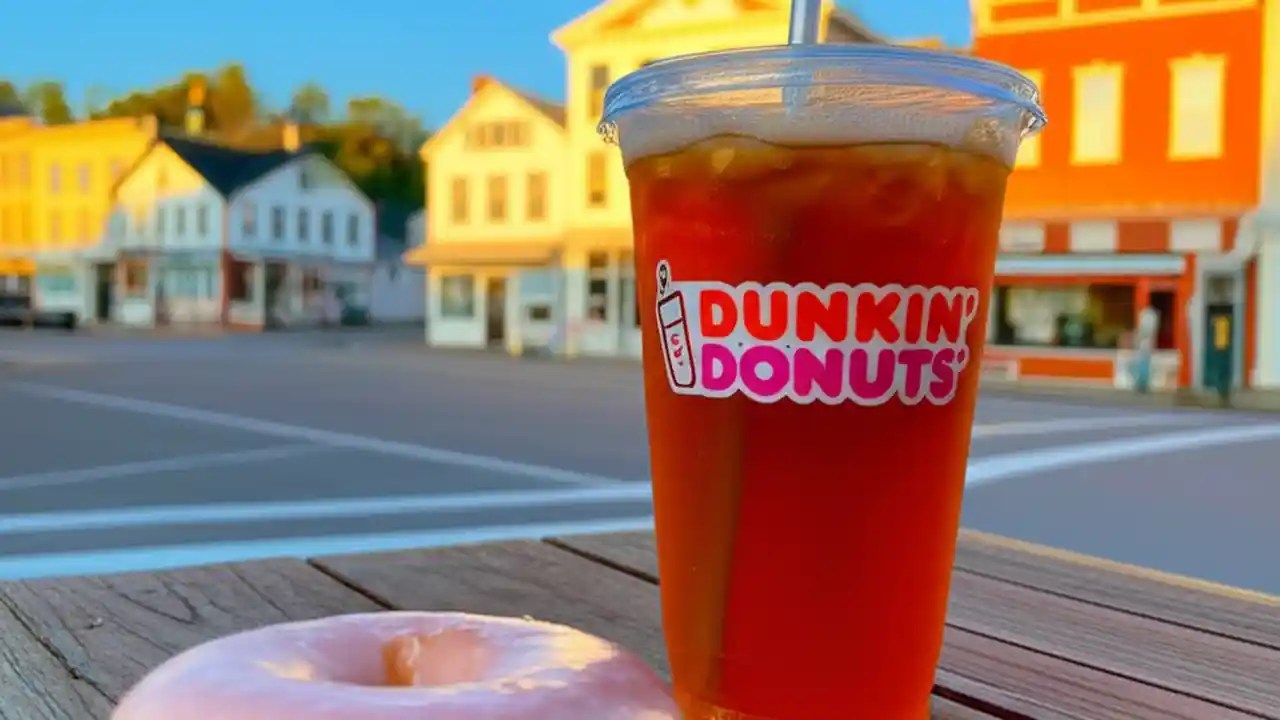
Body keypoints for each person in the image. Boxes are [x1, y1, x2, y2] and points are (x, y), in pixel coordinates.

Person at [1132, 304, 1160, 393]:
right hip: (1146, 346)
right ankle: (1142, 384)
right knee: (1144, 365)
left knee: (1143, 365)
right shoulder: (1151, 318)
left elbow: (1144, 332)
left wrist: (1138, 340)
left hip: (1144, 346)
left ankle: (1142, 385)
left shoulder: (1147, 318)